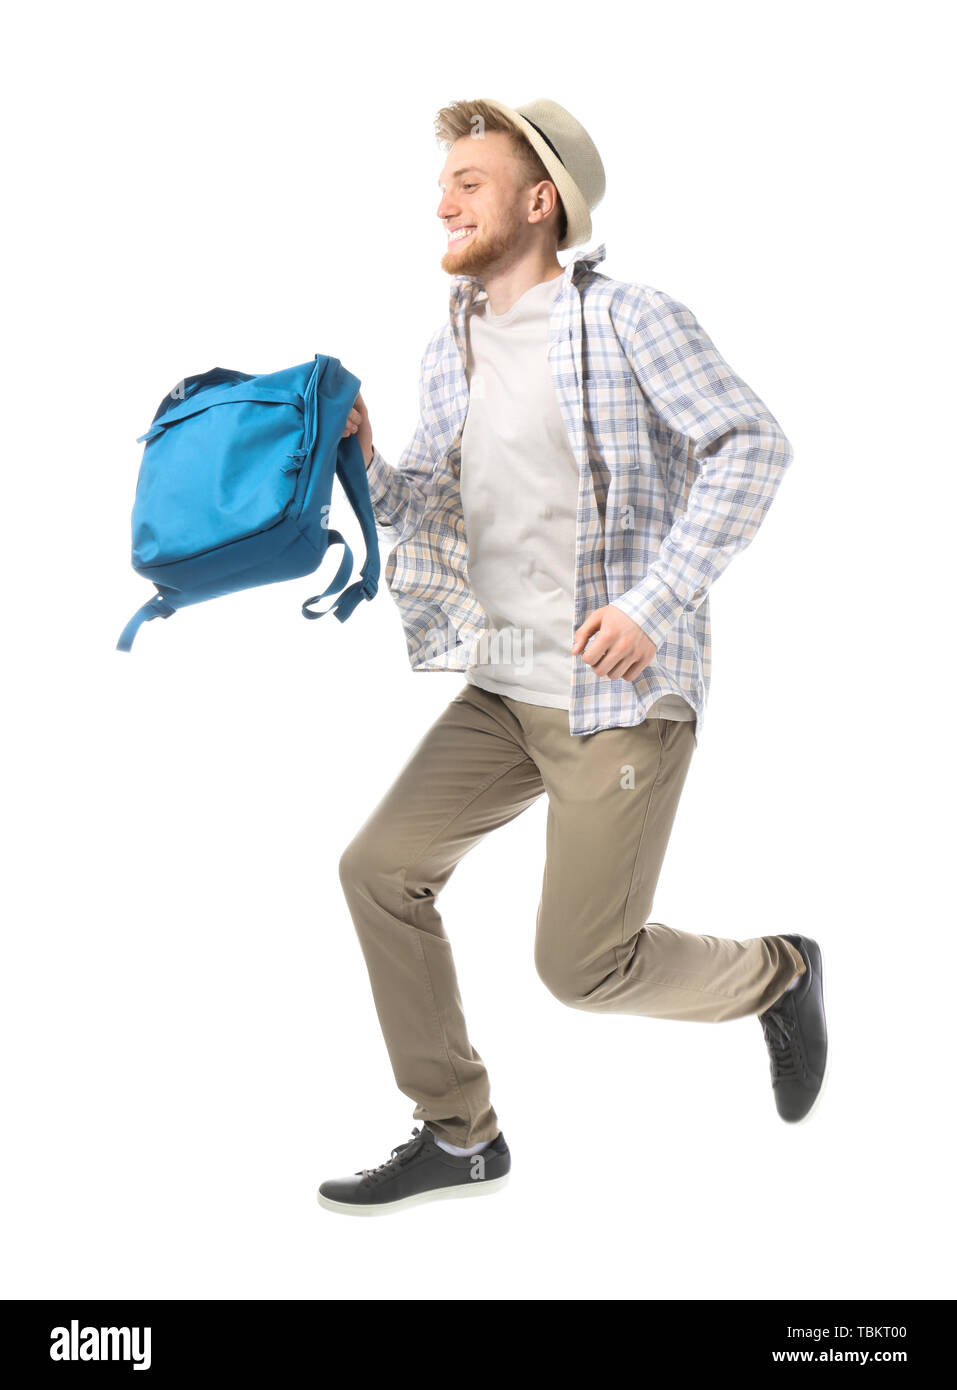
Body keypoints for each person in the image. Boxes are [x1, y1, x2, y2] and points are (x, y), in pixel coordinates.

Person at [317, 97, 827, 1216]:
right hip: (503, 685)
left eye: (469, 181)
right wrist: (362, 461)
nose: (442, 201)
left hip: (618, 698)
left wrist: (654, 599)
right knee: (377, 870)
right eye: (442, 180)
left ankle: (778, 972)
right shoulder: (446, 346)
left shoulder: (632, 319)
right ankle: (459, 1132)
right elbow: (434, 505)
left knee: (583, 968)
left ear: (539, 203)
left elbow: (754, 444)